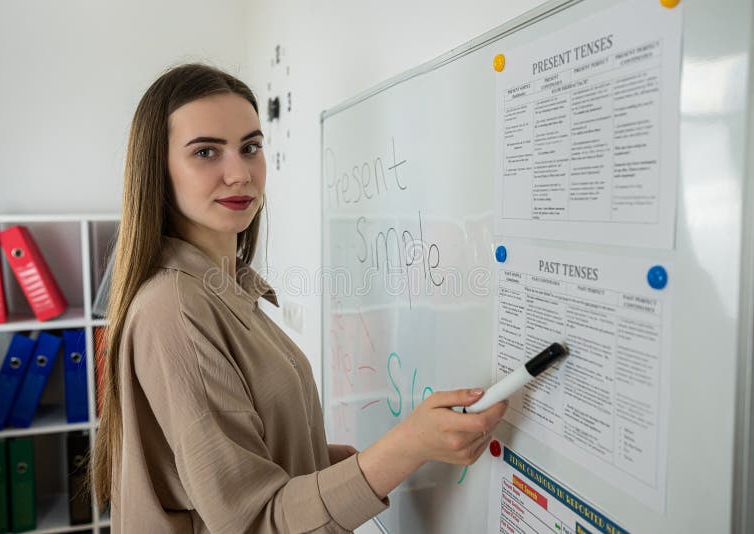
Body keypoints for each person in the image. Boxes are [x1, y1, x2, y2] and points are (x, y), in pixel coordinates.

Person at [90, 63, 508, 533]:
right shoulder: (176, 310)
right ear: (158, 172)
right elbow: (254, 522)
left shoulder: (227, 290)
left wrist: (325, 459)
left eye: (250, 147)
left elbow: (227, 468)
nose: (239, 174)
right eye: (206, 152)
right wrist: (408, 446)